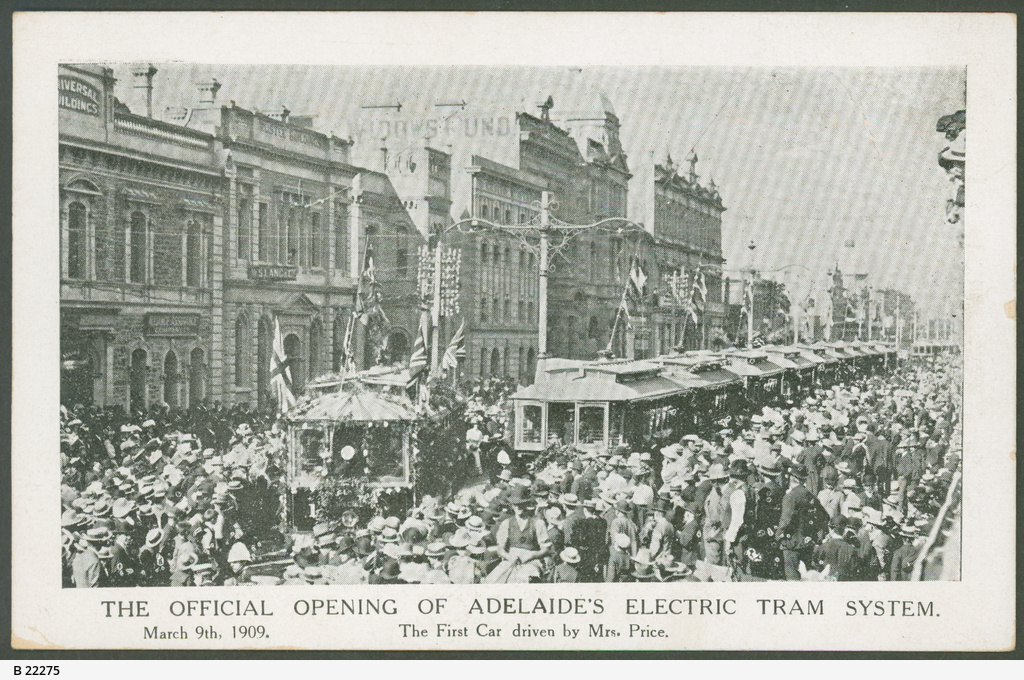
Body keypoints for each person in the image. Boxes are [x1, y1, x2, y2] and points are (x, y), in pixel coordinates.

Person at [777, 463, 827, 581]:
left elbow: (785, 520)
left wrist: (778, 535)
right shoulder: (810, 495)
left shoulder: (790, 497)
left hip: (791, 542)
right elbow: (824, 516)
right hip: (807, 541)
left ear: (791, 477)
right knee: (810, 576)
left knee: (792, 576)